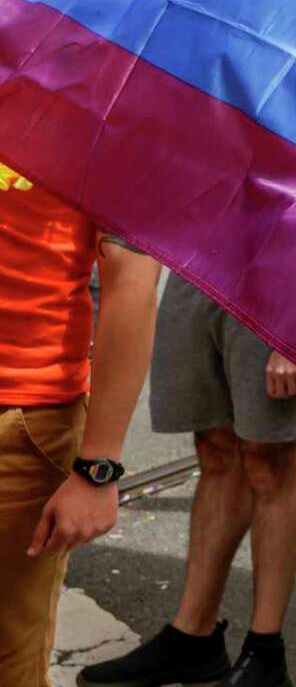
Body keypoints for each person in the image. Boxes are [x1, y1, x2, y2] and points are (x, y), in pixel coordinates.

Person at [81, 276, 296, 687]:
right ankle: (193, 636)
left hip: (280, 273)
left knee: (269, 457)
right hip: (199, 264)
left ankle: (266, 654)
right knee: (214, 445)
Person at [0, 171, 158, 687]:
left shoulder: (108, 104)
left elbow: (133, 280)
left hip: (22, 417)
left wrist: (98, 468)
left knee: (9, 659)